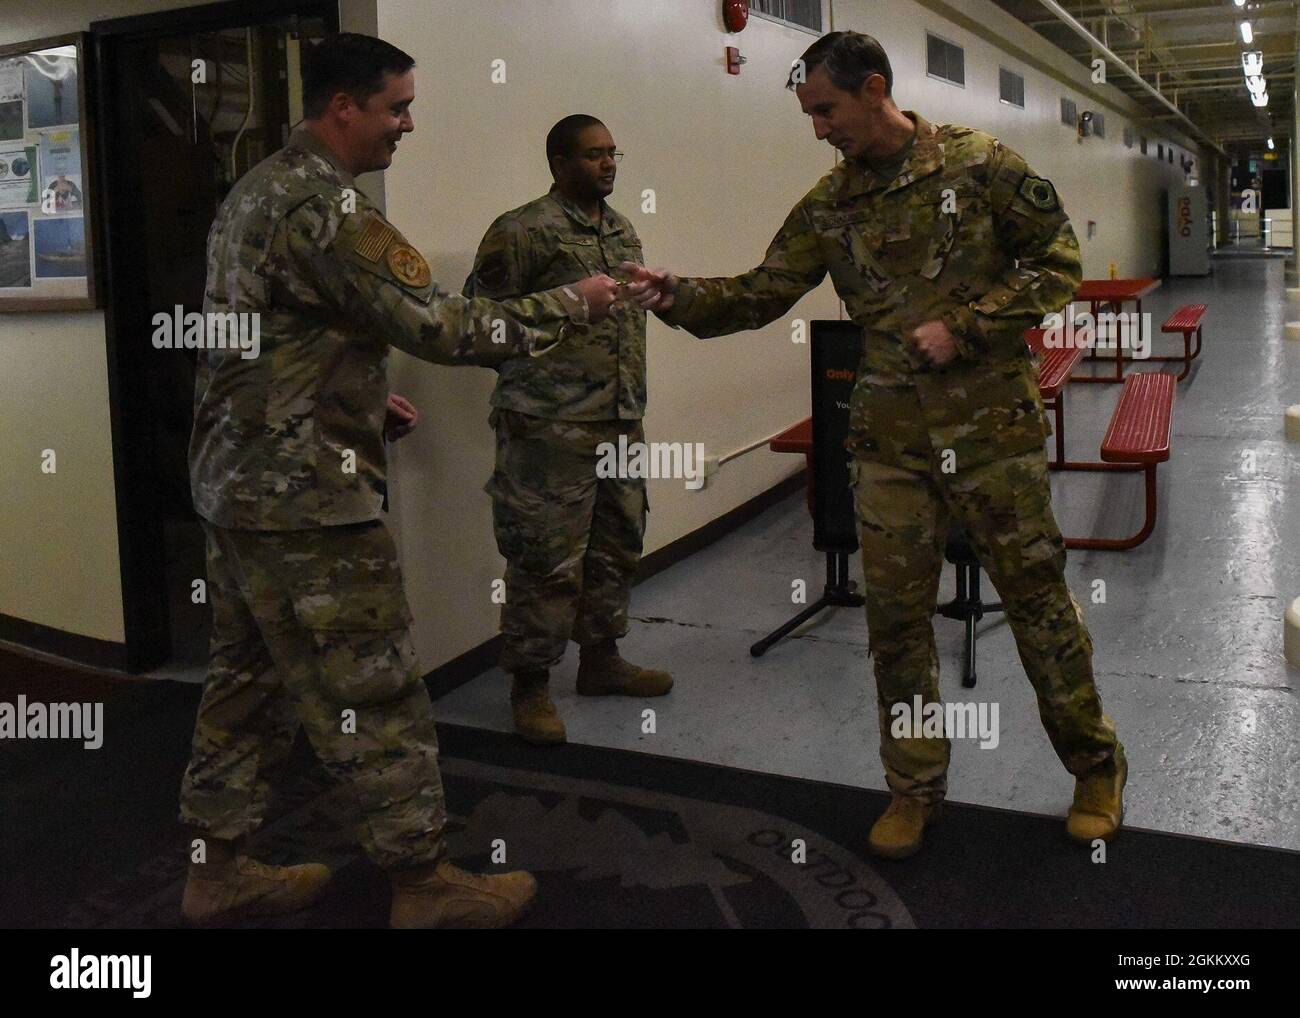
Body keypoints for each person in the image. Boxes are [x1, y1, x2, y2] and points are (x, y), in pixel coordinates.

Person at [625, 31, 1125, 859]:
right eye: (809, 116)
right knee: (895, 624)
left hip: (990, 434)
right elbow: (761, 293)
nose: (819, 129)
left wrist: (966, 326)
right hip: (890, 445)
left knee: (1037, 605)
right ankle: (913, 788)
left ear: (875, 88)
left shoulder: (981, 164)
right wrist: (675, 295)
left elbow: (1058, 264)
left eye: (826, 110)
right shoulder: (831, 206)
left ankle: (1095, 766)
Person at [179, 32, 619, 928]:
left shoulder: (253, 189)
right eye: (397, 107)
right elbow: (442, 327)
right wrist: (575, 302)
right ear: (345, 107)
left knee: (245, 684)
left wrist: (352, 397)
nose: (407, 125)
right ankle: (423, 884)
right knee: (376, 691)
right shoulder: (330, 209)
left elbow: (259, 334)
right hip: (309, 502)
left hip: (236, 486)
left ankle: (215, 870)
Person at [464, 115, 672, 746]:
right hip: (549, 428)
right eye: (593, 155)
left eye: (613, 153)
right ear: (558, 162)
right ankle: (530, 685)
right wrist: (541, 385)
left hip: (618, 418)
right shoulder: (521, 230)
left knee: (617, 540)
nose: (608, 165)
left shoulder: (620, 228)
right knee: (546, 557)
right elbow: (482, 323)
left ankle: (601, 661)